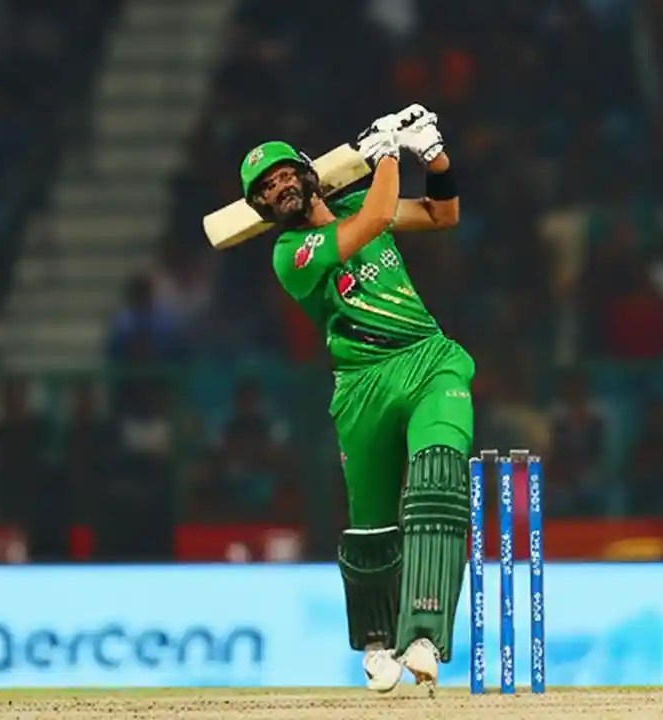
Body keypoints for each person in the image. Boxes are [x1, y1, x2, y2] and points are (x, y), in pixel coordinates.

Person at [238, 107, 469, 694]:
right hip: (361, 384)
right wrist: (387, 152)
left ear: (308, 174)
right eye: (266, 189)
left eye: (284, 175)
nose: (279, 188)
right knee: (372, 529)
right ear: (261, 208)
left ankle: (425, 633)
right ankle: (376, 640)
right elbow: (374, 221)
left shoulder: (359, 202)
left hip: (428, 359)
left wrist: (433, 156)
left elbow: (442, 214)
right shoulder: (291, 254)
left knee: (439, 478)